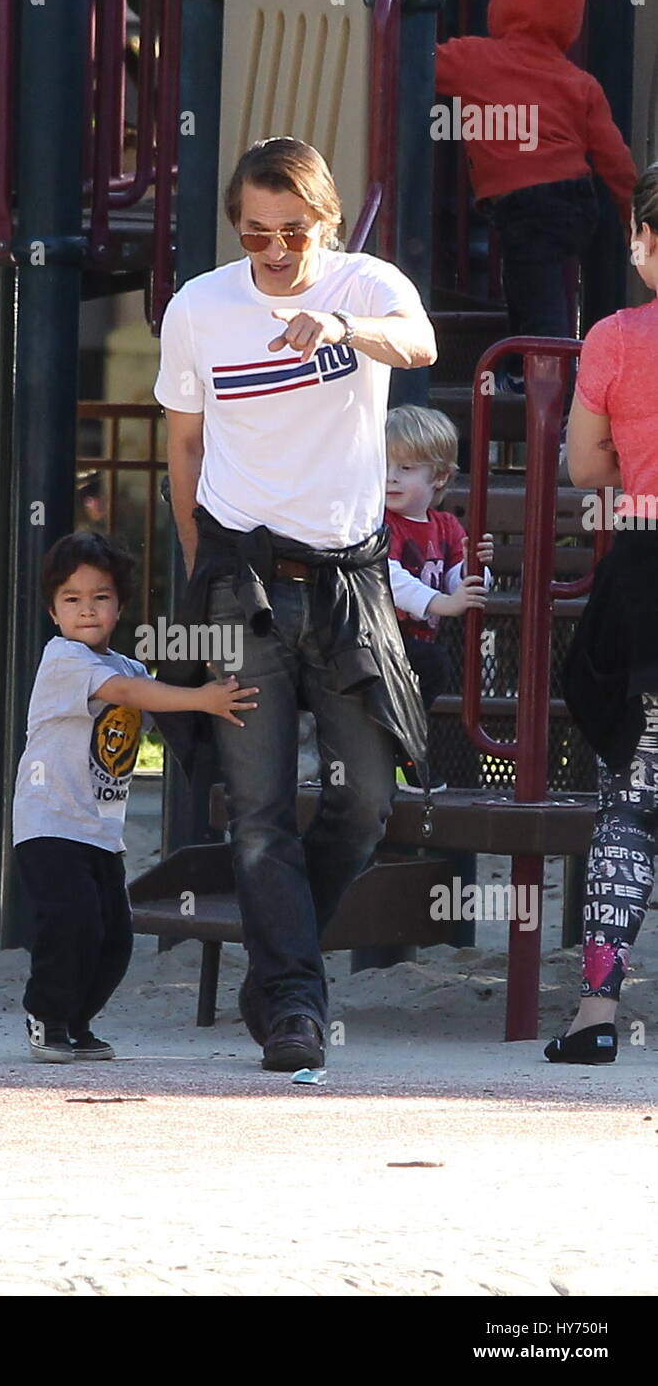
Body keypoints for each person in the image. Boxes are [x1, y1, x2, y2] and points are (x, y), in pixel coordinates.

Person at [153, 137, 437, 1073]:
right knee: (259, 808)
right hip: (240, 578)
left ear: (324, 217)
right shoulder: (200, 305)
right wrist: (200, 566)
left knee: (365, 802)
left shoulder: (364, 284)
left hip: (349, 578)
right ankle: (292, 1009)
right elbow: (184, 446)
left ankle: (281, 964)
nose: (272, 252)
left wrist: (339, 329)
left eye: (291, 232)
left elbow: (420, 341)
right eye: (253, 234)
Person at [12, 530, 257, 1062]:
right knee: (72, 921)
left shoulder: (127, 667)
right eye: (71, 600)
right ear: (53, 612)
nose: (86, 610)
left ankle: (76, 1021)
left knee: (116, 938)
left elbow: (156, 697)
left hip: (100, 831)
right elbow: (128, 695)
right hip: (48, 821)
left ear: (119, 606)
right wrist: (201, 697)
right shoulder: (64, 660)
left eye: (100, 597)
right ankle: (46, 1015)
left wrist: (211, 682)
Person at [552, 162, 658, 1064]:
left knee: (629, 803)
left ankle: (596, 1009)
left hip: (646, 572)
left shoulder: (616, 336)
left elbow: (583, 470)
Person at [436, 0, 638, 391]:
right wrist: (634, 219)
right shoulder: (579, 81)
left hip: (526, 203)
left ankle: (554, 392)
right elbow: (616, 160)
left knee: (538, 299)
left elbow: (414, 58)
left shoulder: (474, 58)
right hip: (577, 200)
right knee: (530, 283)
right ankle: (525, 374)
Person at [384, 405, 494, 791]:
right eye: (383, 466)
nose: (390, 478)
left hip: (415, 642)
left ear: (441, 476)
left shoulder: (445, 526)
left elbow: (456, 580)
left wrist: (472, 569)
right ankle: (399, 754)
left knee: (430, 670)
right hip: (375, 639)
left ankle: (399, 752)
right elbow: (387, 577)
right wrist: (442, 605)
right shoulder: (377, 521)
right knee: (426, 667)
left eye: (405, 468)